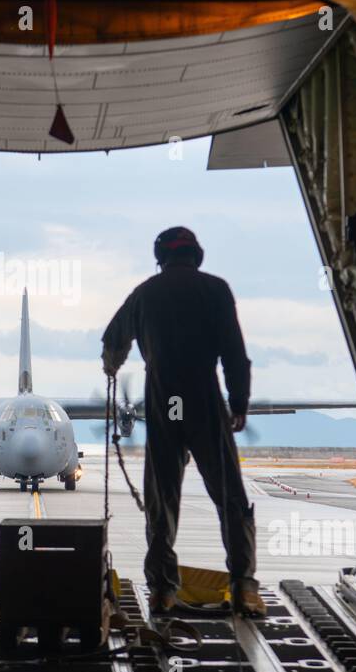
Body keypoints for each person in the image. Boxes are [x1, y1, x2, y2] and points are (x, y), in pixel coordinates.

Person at [101, 227, 265, 618]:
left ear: (161, 257)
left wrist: (112, 365)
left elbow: (112, 341)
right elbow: (234, 354)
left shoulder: (145, 293)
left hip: (165, 403)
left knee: (162, 502)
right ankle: (243, 588)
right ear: (197, 255)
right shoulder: (216, 290)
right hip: (204, 402)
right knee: (231, 498)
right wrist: (238, 402)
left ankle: (162, 592)